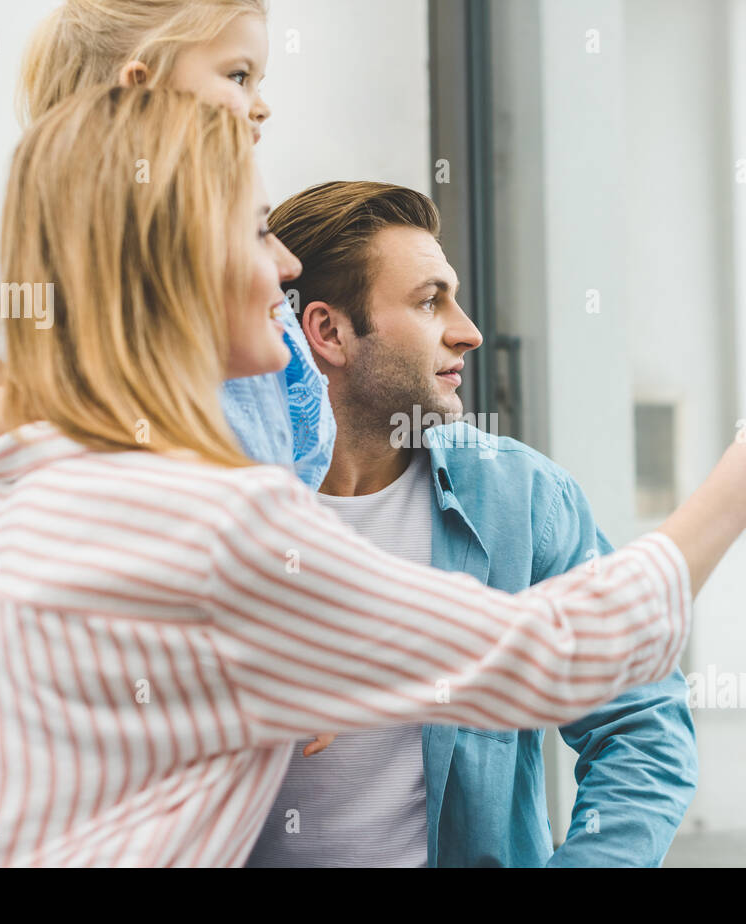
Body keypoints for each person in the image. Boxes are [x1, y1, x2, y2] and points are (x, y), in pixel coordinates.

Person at [0, 83, 746, 866]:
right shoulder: (222, 520)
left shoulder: (36, 476)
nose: (279, 267)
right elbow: (557, 651)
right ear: (179, 271)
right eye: (251, 230)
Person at [0, 0, 336, 841]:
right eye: (238, 75)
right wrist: (111, 391)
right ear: (140, 91)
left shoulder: (262, 289)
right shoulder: (66, 270)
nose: (261, 104)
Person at [245, 181, 696, 867]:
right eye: (430, 301)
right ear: (328, 331)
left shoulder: (522, 496)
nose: (469, 330)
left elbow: (641, 722)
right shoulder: (217, 510)